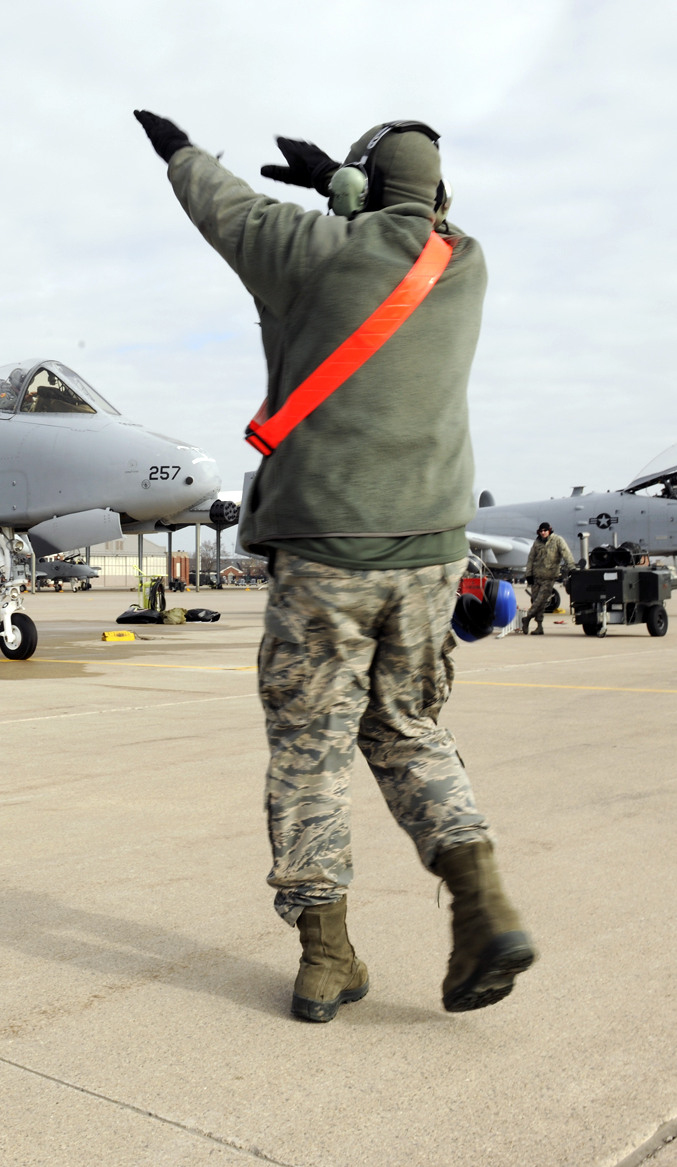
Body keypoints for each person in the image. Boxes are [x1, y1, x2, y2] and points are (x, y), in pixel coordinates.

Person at [133, 110, 536, 1020]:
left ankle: (328, 959)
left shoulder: (306, 253)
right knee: (410, 732)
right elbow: (421, 221)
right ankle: (482, 907)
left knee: (311, 754)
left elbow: (223, 207)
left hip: (325, 555)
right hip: (433, 554)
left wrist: (182, 152)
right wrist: (346, 188)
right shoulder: (466, 265)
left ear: (357, 193)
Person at [522, 521, 575, 635]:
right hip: (537, 576)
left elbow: (566, 553)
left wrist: (572, 567)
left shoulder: (557, 540)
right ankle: (539, 626)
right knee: (538, 602)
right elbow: (531, 559)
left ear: (549, 530)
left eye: (545, 530)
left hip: (549, 577)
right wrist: (529, 575)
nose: (543, 533)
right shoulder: (536, 543)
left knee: (541, 600)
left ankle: (527, 618)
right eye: (541, 531)